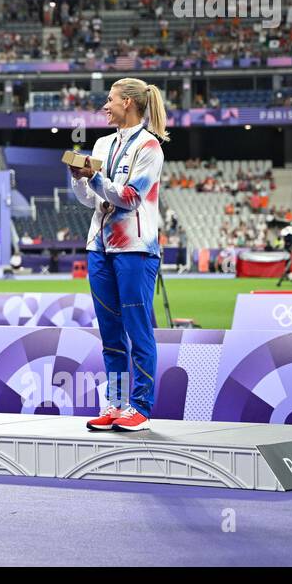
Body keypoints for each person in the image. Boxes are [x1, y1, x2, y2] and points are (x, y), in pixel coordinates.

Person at [68, 78, 169, 432]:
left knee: (138, 330)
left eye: (110, 100)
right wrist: (80, 179)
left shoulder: (149, 146)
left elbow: (129, 198)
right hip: (100, 246)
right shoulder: (102, 142)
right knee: (110, 332)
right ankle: (116, 403)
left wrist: (94, 178)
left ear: (128, 102)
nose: (105, 106)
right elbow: (92, 200)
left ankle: (140, 407)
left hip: (136, 249)